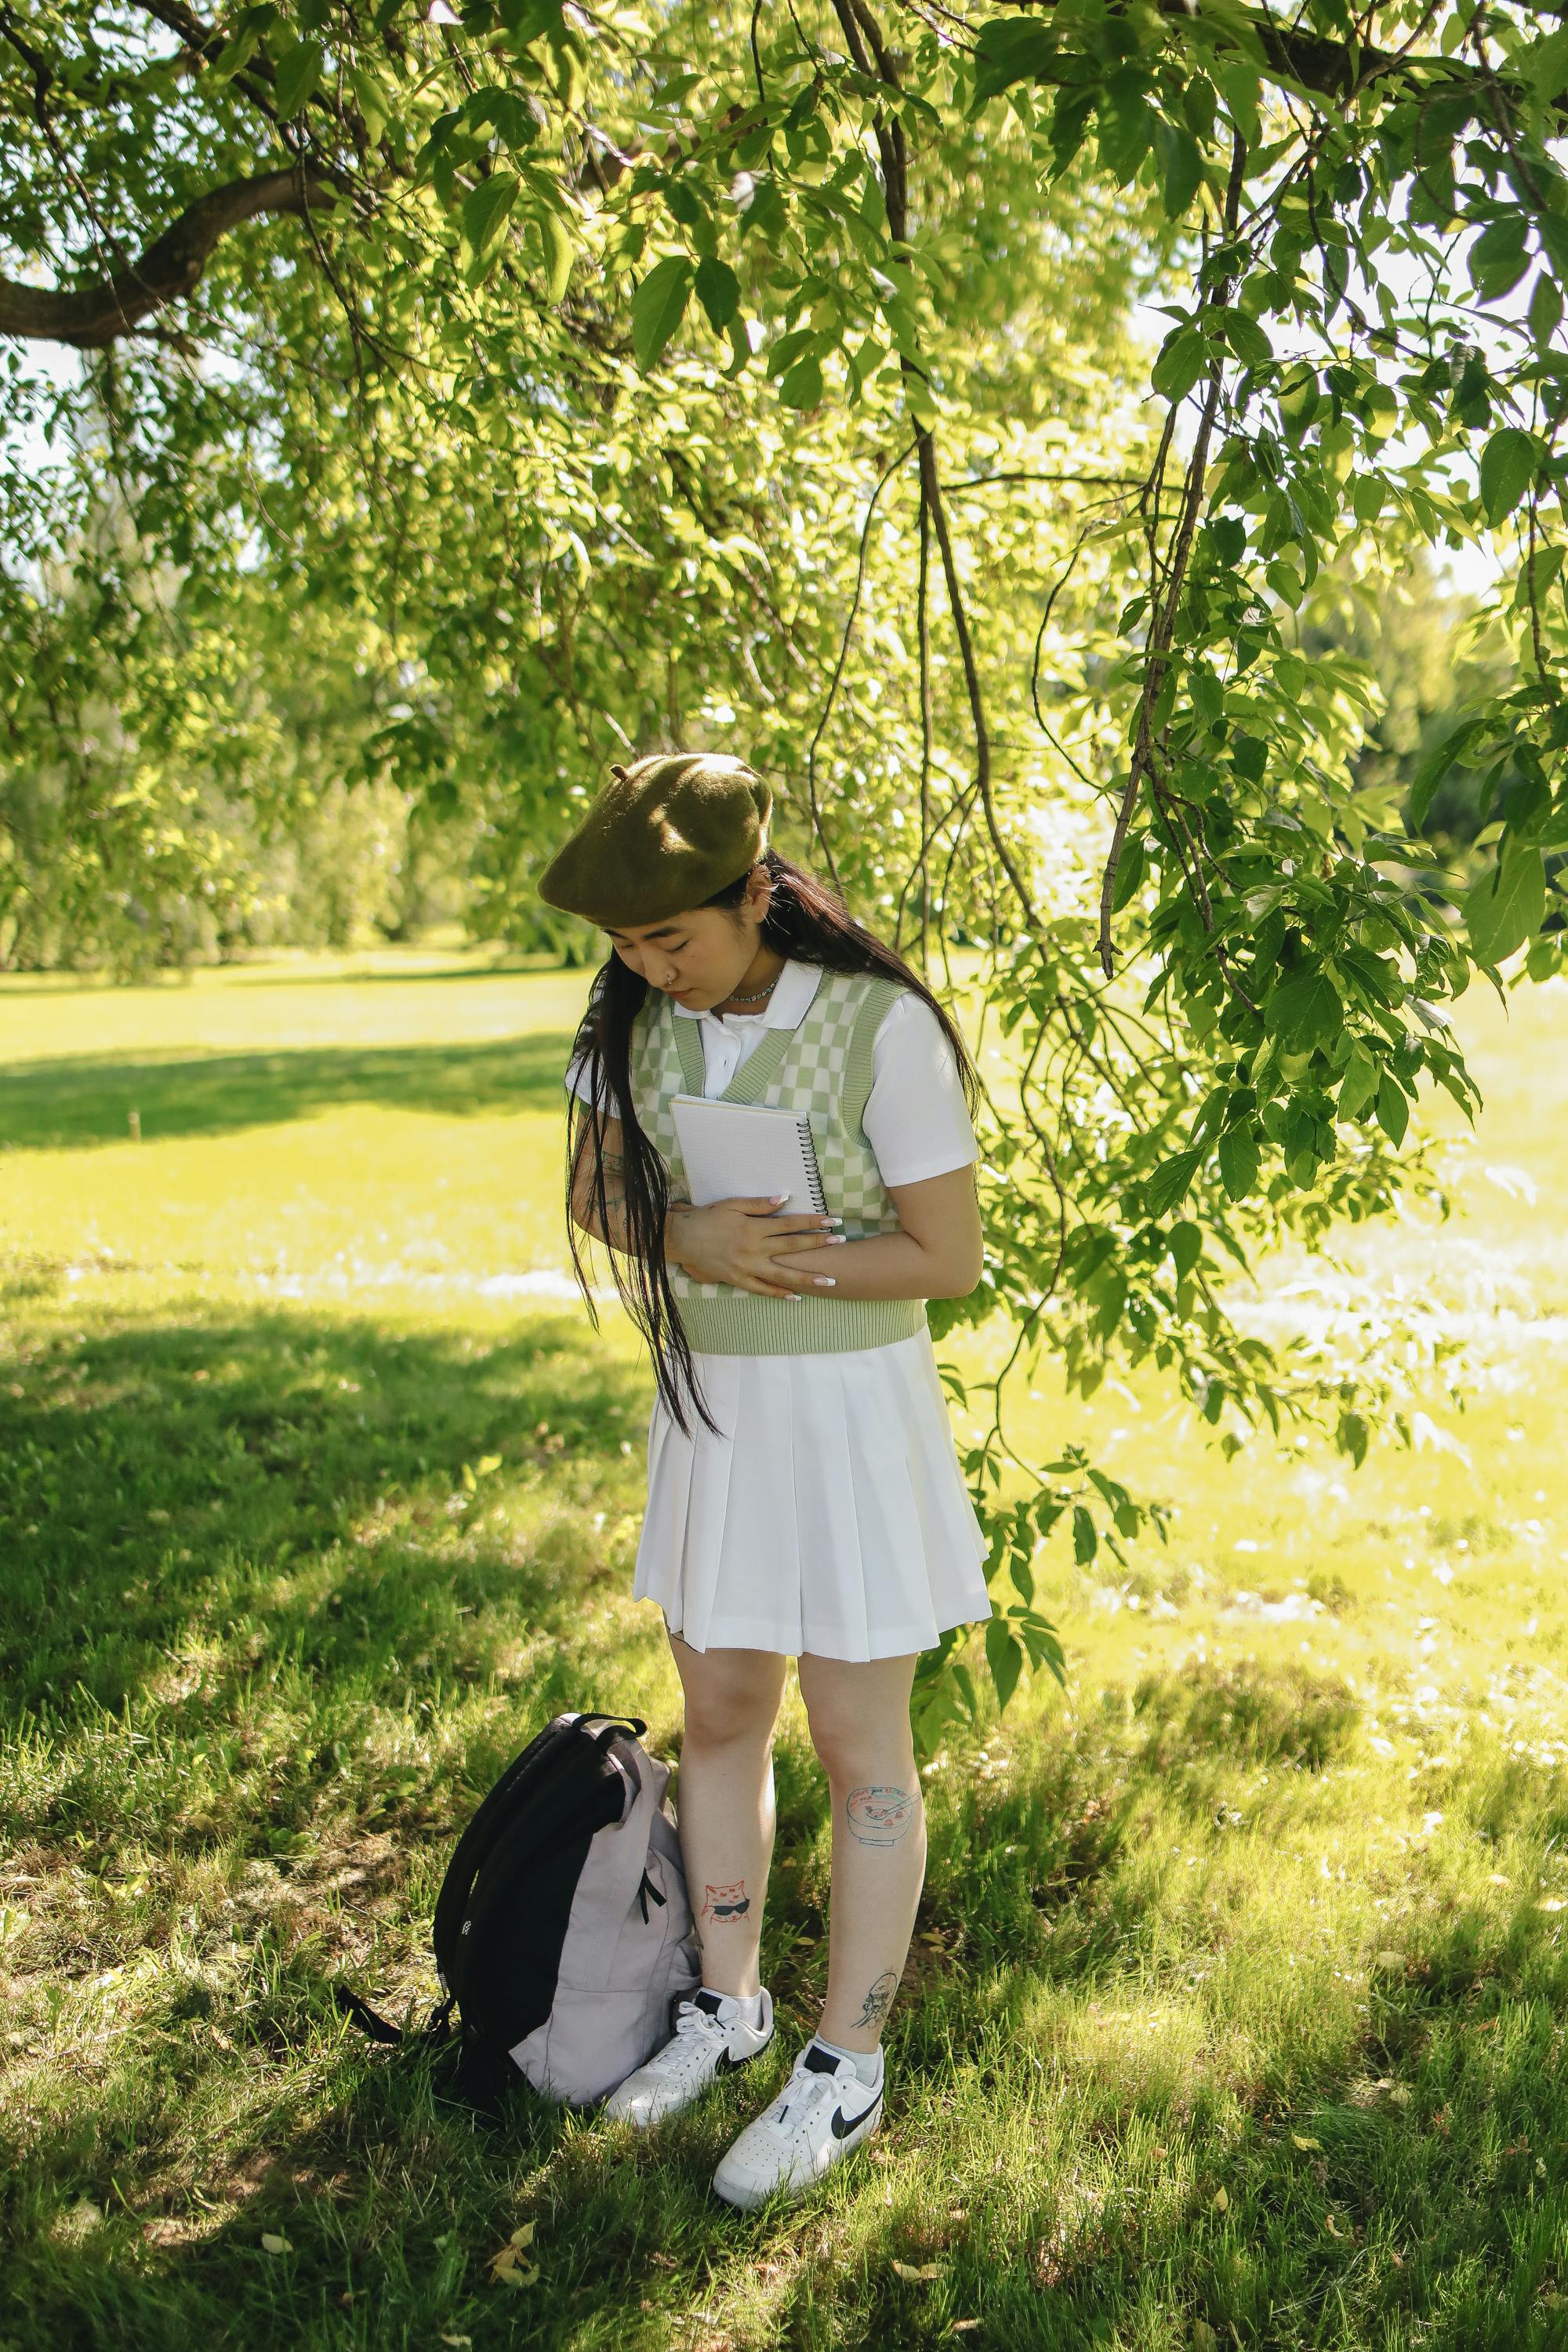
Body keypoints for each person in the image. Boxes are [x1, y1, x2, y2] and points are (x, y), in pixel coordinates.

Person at [539, 750, 991, 2209]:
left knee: (864, 1743)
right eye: (623, 945)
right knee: (720, 1710)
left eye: (672, 938)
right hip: (718, 1418)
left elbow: (947, 1255)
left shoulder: (879, 1028)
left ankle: (844, 2061)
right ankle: (724, 2011)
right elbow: (598, 1191)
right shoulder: (634, 1026)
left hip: (855, 1421)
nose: (648, 968)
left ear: (757, 895)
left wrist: (781, 1259)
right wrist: (692, 1243)